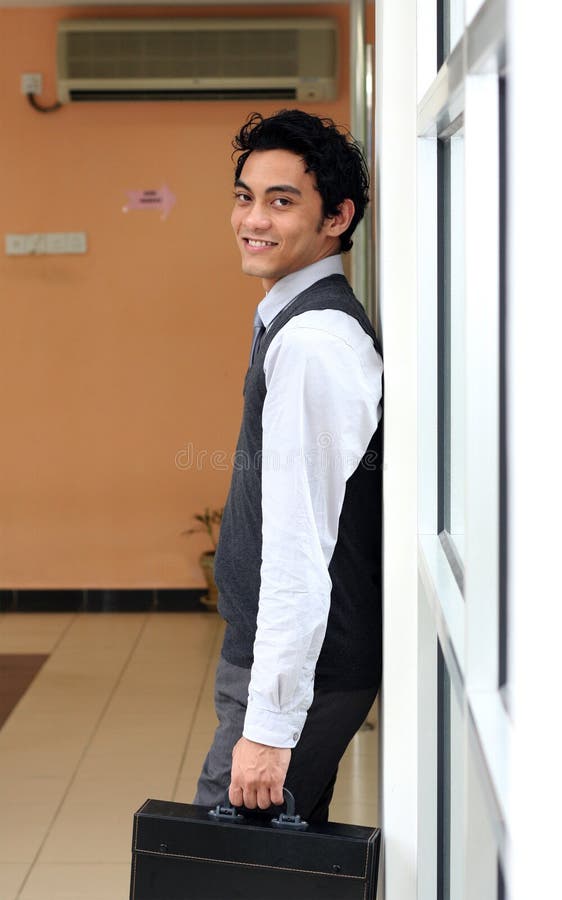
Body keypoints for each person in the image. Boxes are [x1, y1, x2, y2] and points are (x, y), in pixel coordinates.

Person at [194, 109, 383, 824]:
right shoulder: (290, 319)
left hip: (306, 679)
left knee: (223, 868)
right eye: (245, 197)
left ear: (337, 217)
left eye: (282, 201)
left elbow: (300, 543)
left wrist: (270, 728)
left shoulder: (314, 344)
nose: (253, 219)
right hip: (293, 669)